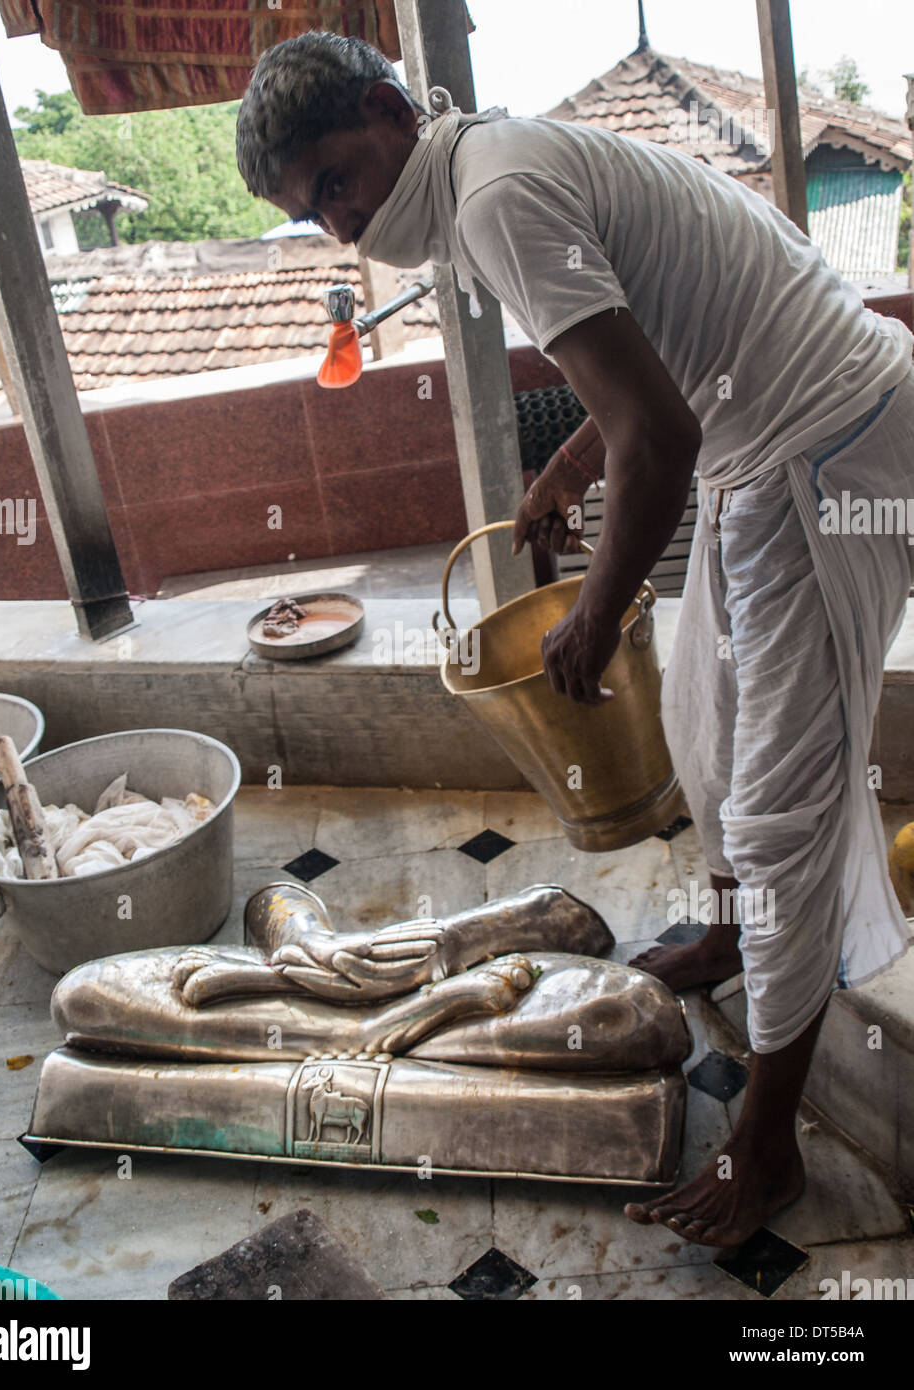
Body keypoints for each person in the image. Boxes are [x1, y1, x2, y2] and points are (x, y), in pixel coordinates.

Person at [236, 31, 914, 1247]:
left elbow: (658, 431)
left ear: (389, 110)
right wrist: (562, 466)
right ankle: (725, 929)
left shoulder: (492, 195)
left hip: (832, 441)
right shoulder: (488, 173)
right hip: (765, 438)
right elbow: (643, 359)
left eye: (334, 180)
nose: (337, 225)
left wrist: (594, 619)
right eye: (310, 212)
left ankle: (767, 1152)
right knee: (705, 735)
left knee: (781, 811)